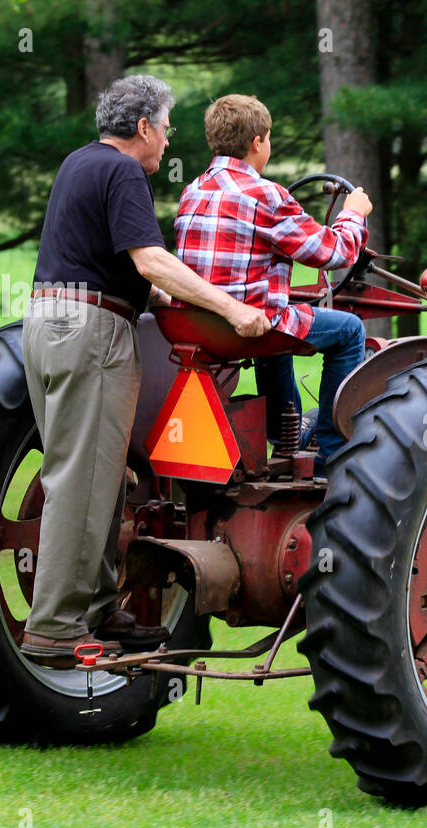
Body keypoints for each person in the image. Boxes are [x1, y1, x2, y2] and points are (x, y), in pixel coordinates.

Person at [21, 75, 272, 662]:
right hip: (93, 334)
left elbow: (105, 262)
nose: (167, 139)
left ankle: (101, 609)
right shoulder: (124, 171)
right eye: (165, 127)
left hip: (45, 323)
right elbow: (152, 259)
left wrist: (160, 299)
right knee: (83, 482)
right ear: (143, 128)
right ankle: (55, 629)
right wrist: (231, 306)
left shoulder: (77, 164)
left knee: (94, 475)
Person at [173, 93, 371, 476]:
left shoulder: (193, 191)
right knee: (349, 330)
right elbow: (336, 253)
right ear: (257, 142)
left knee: (278, 330)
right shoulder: (266, 195)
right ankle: (330, 450)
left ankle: (287, 439)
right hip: (246, 324)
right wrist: (353, 215)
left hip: (199, 324)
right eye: (269, 138)